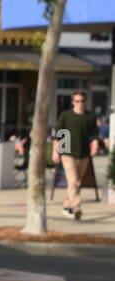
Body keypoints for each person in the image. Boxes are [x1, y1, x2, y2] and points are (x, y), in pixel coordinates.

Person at [54, 90, 99, 220]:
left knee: (76, 183)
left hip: (84, 154)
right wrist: (56, 152)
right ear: (73, 102)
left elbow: (94, 134)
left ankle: (67, 206)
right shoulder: (66, 115)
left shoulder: (90, 117)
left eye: (82, 101)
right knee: (73, 182)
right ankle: (76, 207)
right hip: (68, 153)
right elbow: (59, 135)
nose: (80, 103)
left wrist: (95, 145)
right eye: (77, 101)